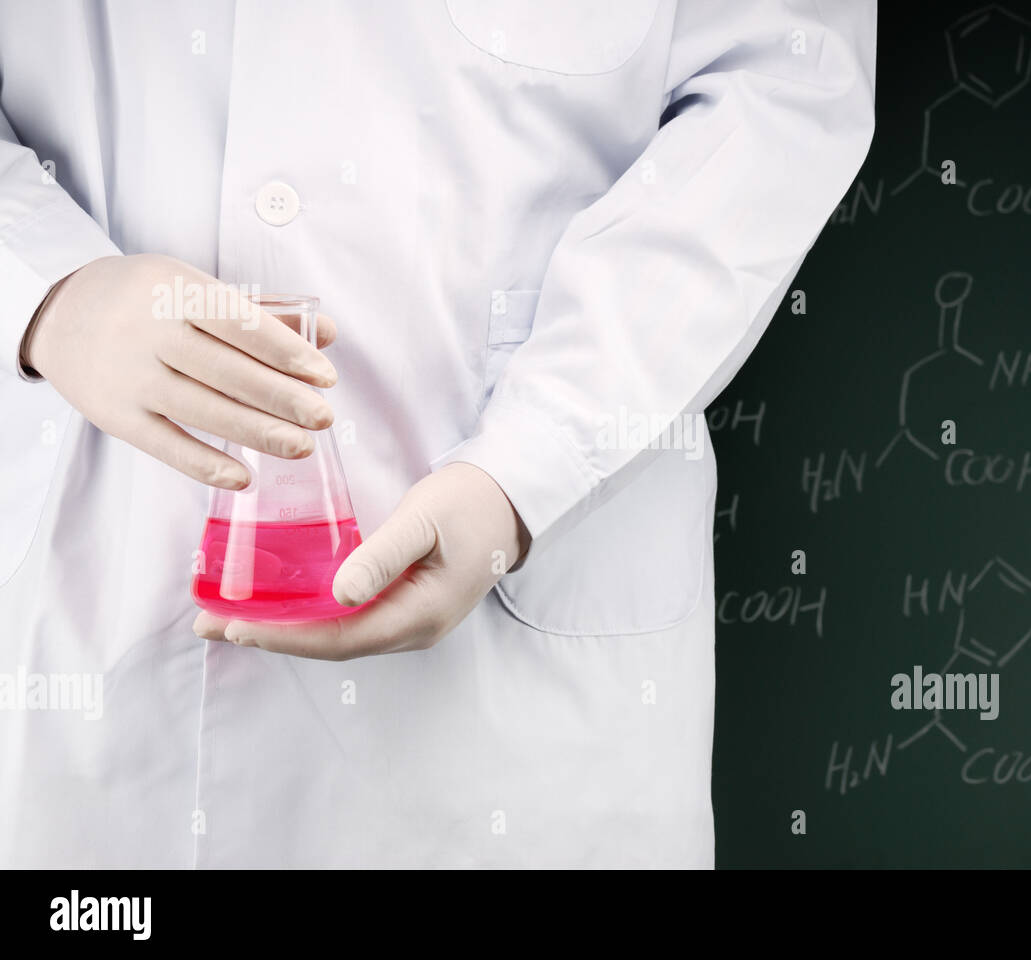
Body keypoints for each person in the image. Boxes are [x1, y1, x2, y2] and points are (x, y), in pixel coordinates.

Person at [0, 1, 876, 867]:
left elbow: (787, 82)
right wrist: (46, 290)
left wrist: (528, 465)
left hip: (511, 696)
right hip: (90, 634)